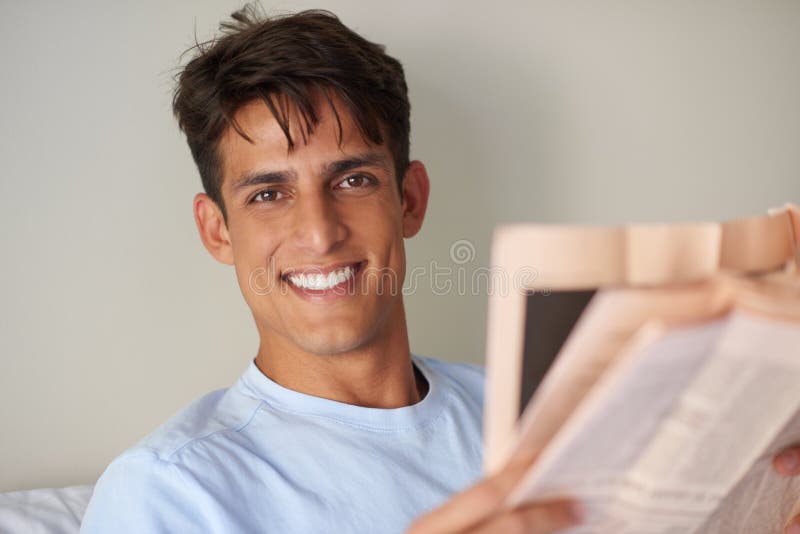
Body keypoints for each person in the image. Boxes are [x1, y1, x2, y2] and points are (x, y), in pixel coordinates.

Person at [80, 6, 800, 534]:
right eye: (268, 193)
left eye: (353, 179)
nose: (320, 232)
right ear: (217, 231)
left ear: (411, 199)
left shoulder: (543, 415)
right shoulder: (167, 495)